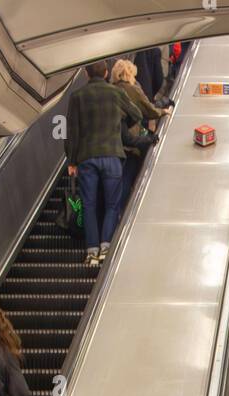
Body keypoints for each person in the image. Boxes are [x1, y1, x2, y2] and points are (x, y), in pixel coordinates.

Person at [65, 59, 141, 269]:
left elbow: (72, 132)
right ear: (107, 73)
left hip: (87, 158)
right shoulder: (116, 93)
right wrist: (119, 129)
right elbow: (137, 114)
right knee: (111, 204)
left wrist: (72, 161)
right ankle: (106, 246)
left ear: (87, 75)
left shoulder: (77, 97)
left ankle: (91, 252)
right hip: (112, 156)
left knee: (88, 205)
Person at [111, 58, 169, 203]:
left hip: (111, 144)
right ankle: (121, 209)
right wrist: (162, 111)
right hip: (130, 142)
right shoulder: (133, 88)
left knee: (113, 182)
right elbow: (149, 109)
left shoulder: (110, 89)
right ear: (130, 73)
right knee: (127, 177)